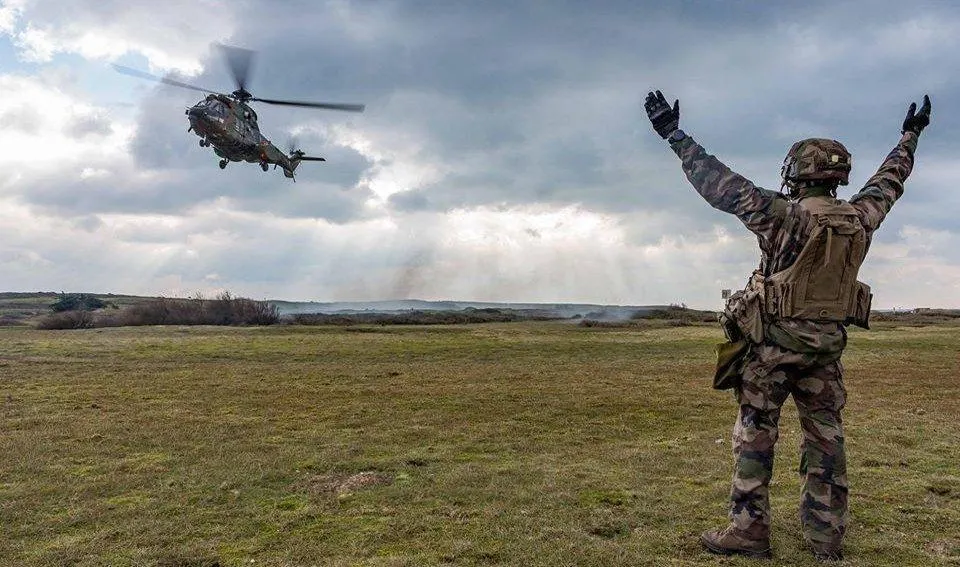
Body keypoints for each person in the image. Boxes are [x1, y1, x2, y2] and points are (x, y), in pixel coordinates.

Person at [644, 89, 931, 562]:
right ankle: (826, 539)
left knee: (755, 438)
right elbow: (889, 182)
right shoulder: (860, 218)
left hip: (771, 351)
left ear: (796, 172)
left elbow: (718, 182)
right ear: (837, 175)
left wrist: (674, 135)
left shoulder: (781, 216)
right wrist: (910, 136)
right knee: (827, 443)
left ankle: (749, 532)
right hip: (826, 354)